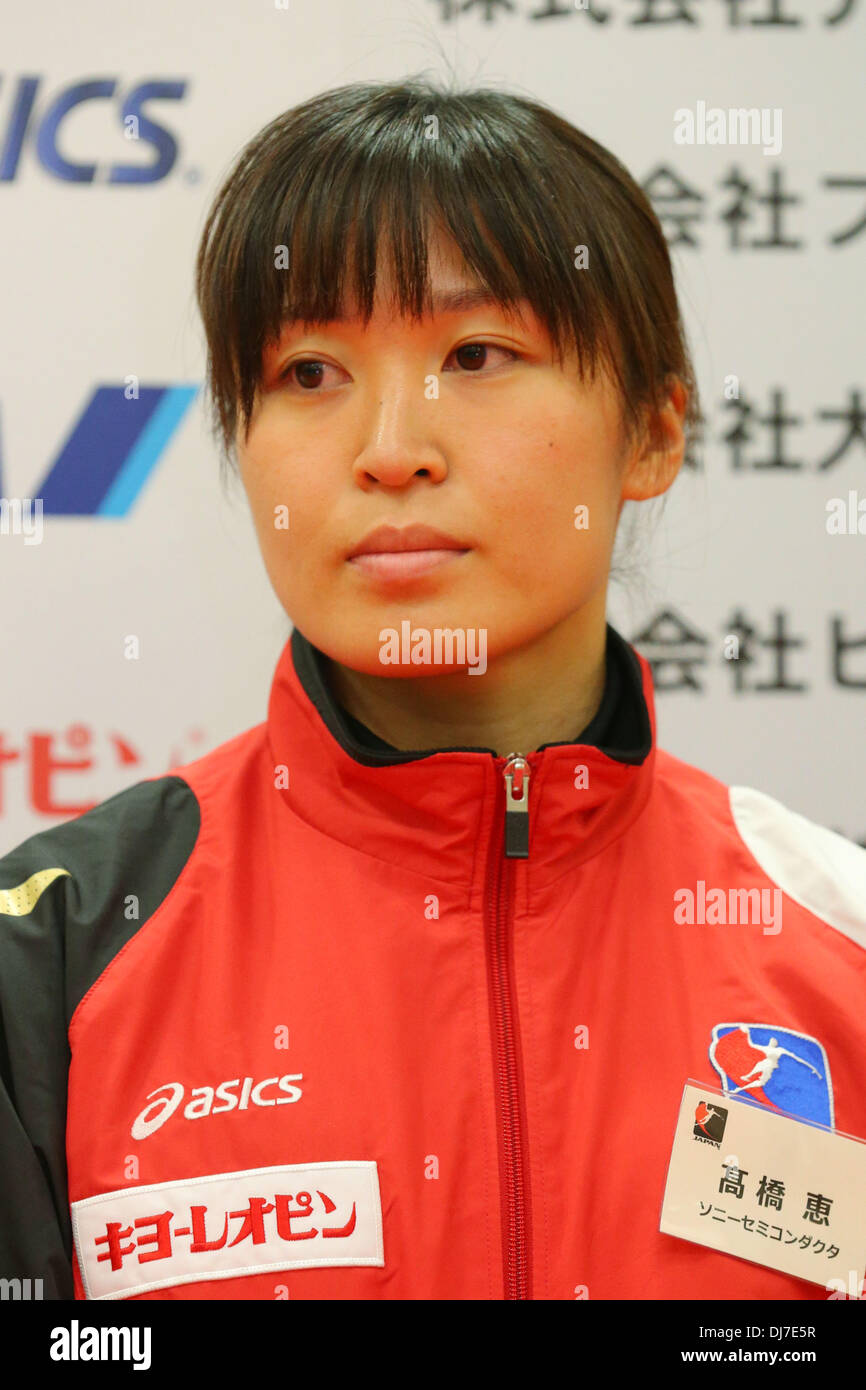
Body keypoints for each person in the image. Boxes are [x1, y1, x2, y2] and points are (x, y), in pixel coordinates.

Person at [1, 77, 864, 1303]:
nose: (390, 444)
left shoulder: (838, 944)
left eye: (476, 353)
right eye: (307, 371)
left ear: (652, 432)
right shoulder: (52, 955)